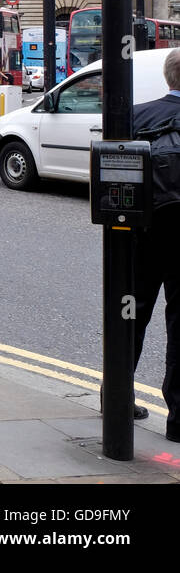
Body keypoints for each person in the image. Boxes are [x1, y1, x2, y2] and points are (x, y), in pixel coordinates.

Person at [130, 47, 180, 441]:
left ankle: (116, 396)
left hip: (143, 232)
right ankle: (179, 420)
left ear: (168, 78)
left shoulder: (136, 114)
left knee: (131, 314)